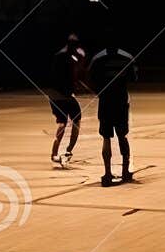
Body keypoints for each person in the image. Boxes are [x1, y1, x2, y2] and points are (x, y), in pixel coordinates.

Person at [88, 33, 138, 186]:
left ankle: (107, 173)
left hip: (105, 101)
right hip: (121, 101)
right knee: (122, 136)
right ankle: (125, 170)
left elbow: (90, 78)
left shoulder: (97, 58)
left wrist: (99, 91)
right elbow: (134, 78)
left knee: (106, 137)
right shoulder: (127, 57)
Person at [48, 32, 87, 166]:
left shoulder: (64, 55)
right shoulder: (68, 57)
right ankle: (62, 151)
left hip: (59, 95)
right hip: (62, 96)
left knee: (67, 122)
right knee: (69, 122)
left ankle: (60, 152)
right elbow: (76, 74)